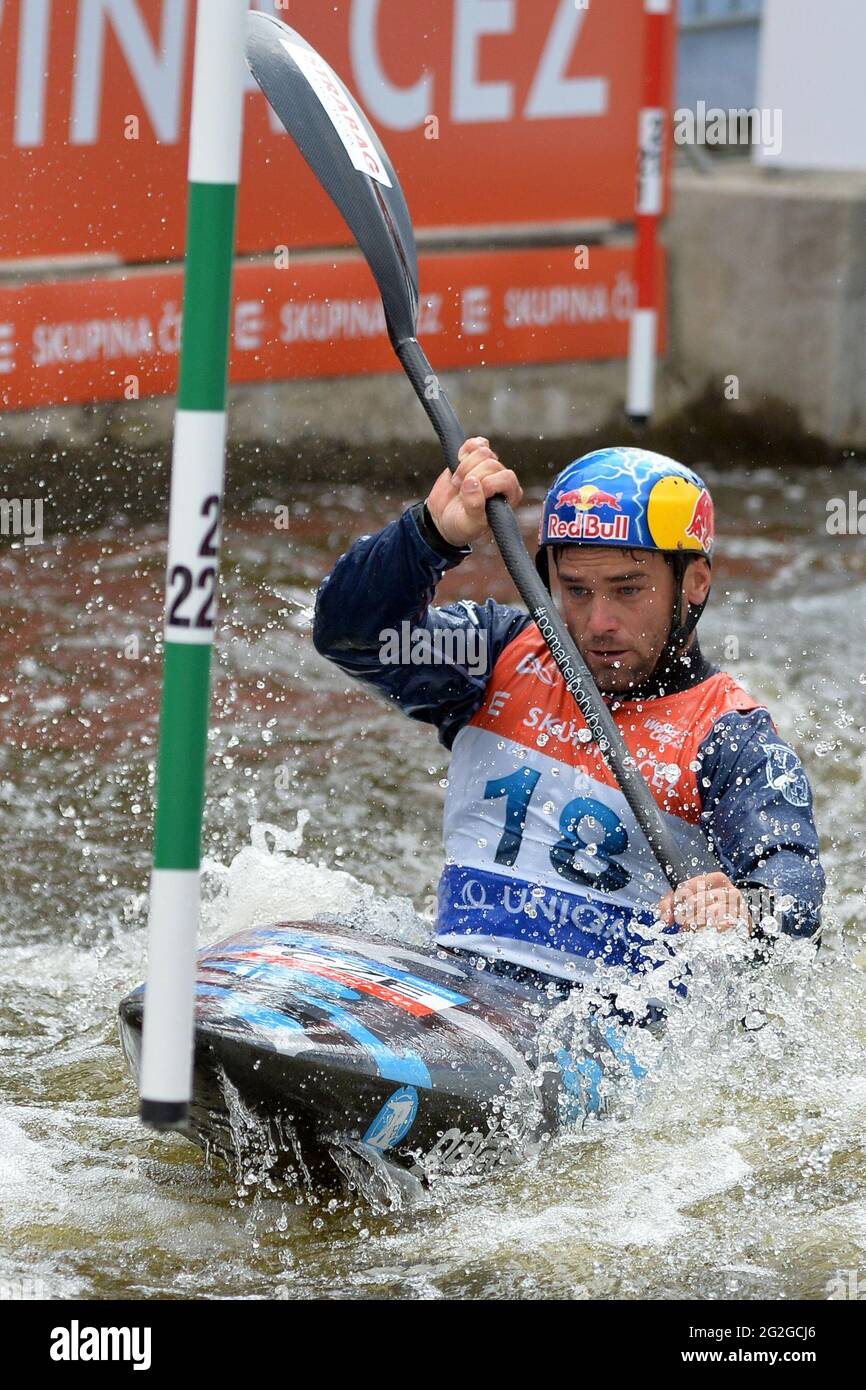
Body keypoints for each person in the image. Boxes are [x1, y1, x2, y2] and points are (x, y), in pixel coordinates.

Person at [312, 442, 824, 995]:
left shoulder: (732, 737)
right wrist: (430, 535)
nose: (598, 622)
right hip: (459, 985)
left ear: (694, 582)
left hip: (602, 1029)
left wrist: (742, 905)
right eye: (576, 590)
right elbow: (352, 636)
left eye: (628, 590)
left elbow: (793, 889)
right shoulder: (498, 654)